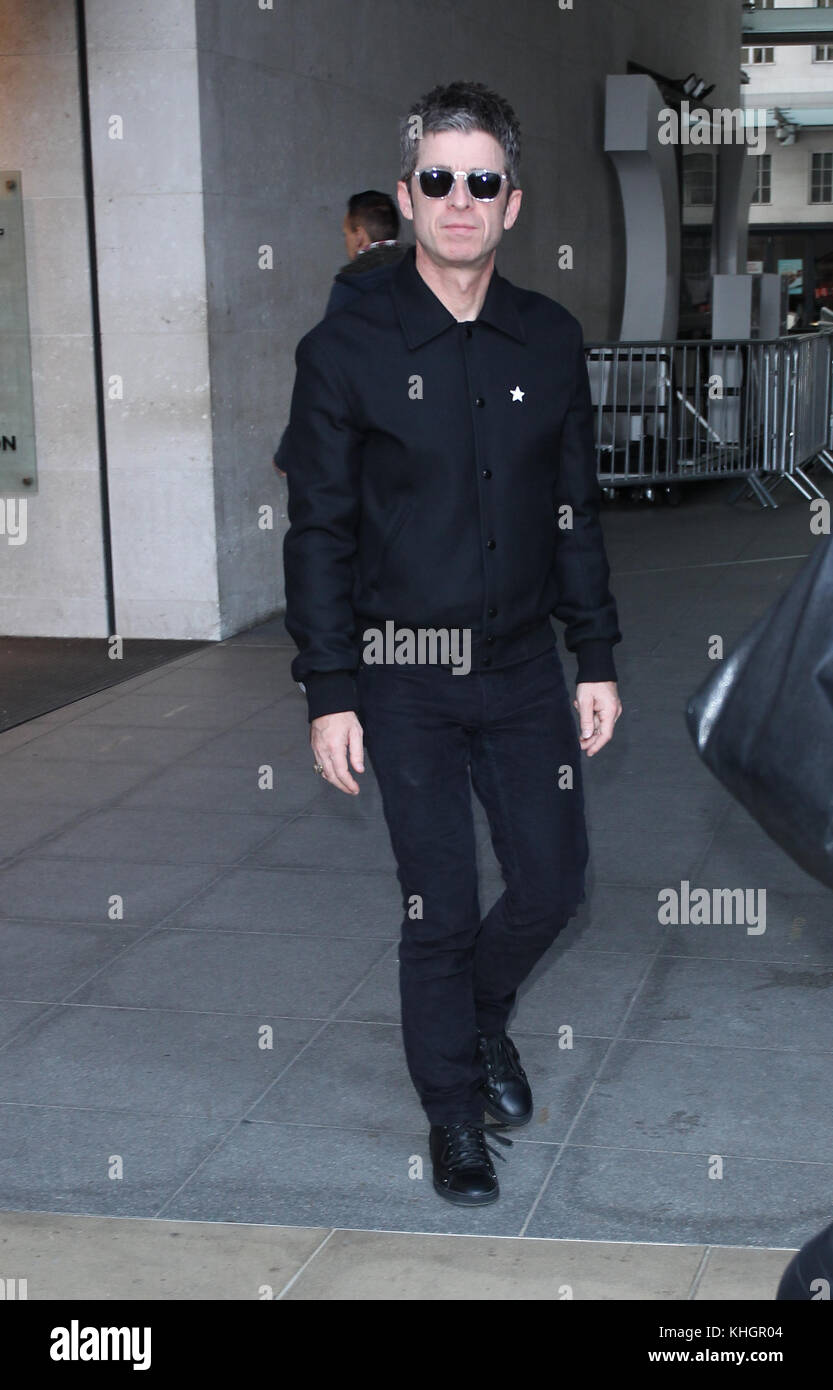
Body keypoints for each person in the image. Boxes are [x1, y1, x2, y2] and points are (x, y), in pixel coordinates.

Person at [283, 80, 622, 1207]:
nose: (459, 200)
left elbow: (573, 508)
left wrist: (599, 656)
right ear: (406, 195)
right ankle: (452, 1116)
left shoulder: (550, 338)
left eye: (482, 181)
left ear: (511, 203)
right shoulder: (346, 347)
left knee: (551, 882)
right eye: (439, 179)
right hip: (402, 673)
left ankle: (476, 1025)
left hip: (524, 665)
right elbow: (320, 530)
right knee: (437, 902)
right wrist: (330, 689)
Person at [273, 191, 406, 475]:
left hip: (375, 438)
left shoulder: (353, 287)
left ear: (359, 236)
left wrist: (290, 450)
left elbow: (324, 374)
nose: (346, 241)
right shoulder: (432, 276)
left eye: (345, 233)